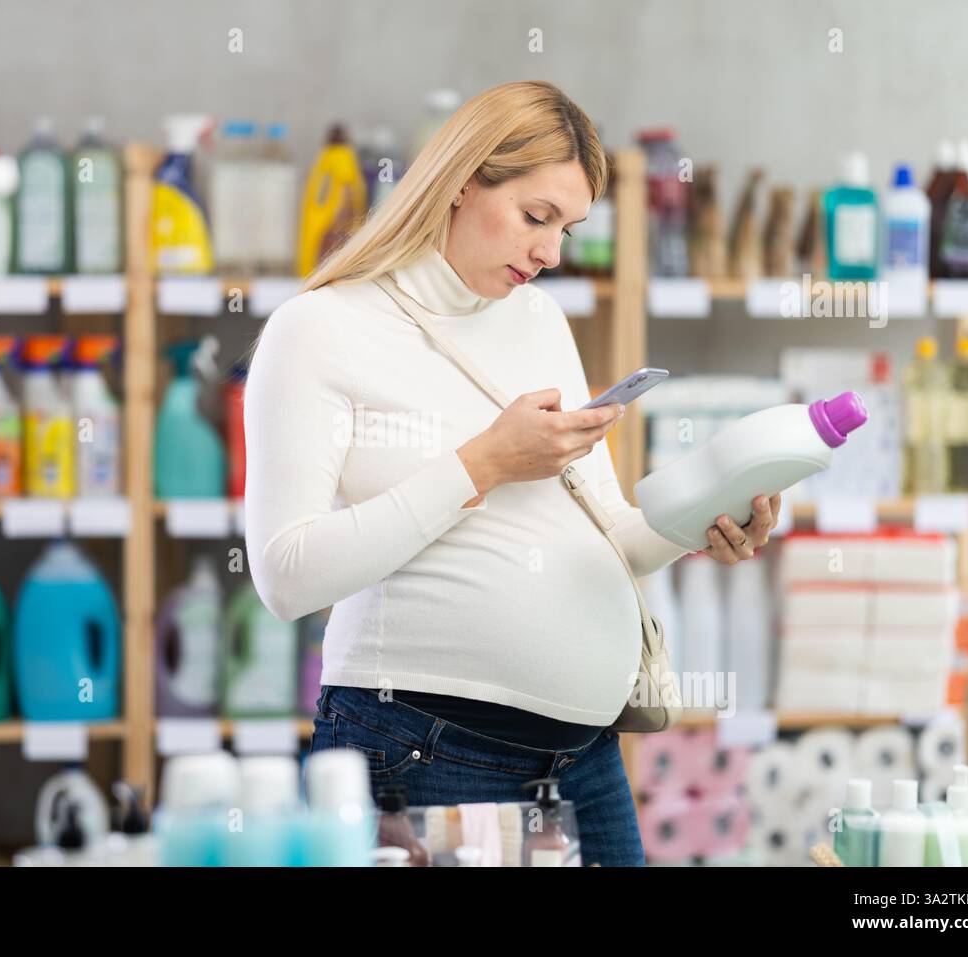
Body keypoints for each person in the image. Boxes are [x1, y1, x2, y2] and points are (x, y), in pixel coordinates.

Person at [243, 80, 779, 865]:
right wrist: (485, 462)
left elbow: (612, 533)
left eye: (568, 226)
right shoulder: (322, 329)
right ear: (462, 180)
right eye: (537, 217)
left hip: (585, 762)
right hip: (425, 753)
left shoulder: (539, 320)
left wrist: (704, 520)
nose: (552, 252)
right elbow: (284, 576)